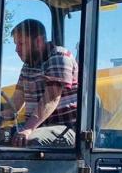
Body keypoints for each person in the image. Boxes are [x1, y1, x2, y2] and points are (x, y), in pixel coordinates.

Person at [6, 18, 78, 147]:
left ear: (38, 41)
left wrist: (27, 129)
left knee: (29, 141)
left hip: (66, 128)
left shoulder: (59, 56)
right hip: (40, 126)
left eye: (21, 44)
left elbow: (51, 99)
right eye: (16, 44)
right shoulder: (28, 65)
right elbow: (16, 103)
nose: (17, 49)